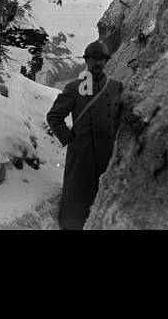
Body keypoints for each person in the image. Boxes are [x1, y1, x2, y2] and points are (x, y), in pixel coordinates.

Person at [45, 41, 125, 230]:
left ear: (106, 62)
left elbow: (124, 118)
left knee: (107, 200)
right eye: (94, 59)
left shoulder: (117, 87)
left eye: (101, 59)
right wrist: (71, 139)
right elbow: (54, 117)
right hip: (82, 155)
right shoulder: (74, 88)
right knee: (78, 201)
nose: (98, 63)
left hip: (108, 154)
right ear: (87, 61)